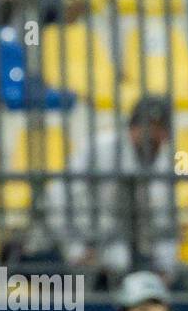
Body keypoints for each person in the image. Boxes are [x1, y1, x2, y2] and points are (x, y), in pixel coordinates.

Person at [51, 96, 180, 292]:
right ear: (132, 127)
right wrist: (76, 249)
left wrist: (164, 267)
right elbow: (59, 195)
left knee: (179, 284)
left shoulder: (165, 163)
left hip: (136, 252)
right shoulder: (100, 148)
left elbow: (165, 220)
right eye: (148, 126)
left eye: (159, 128)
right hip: (86, 243)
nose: (153, 134)